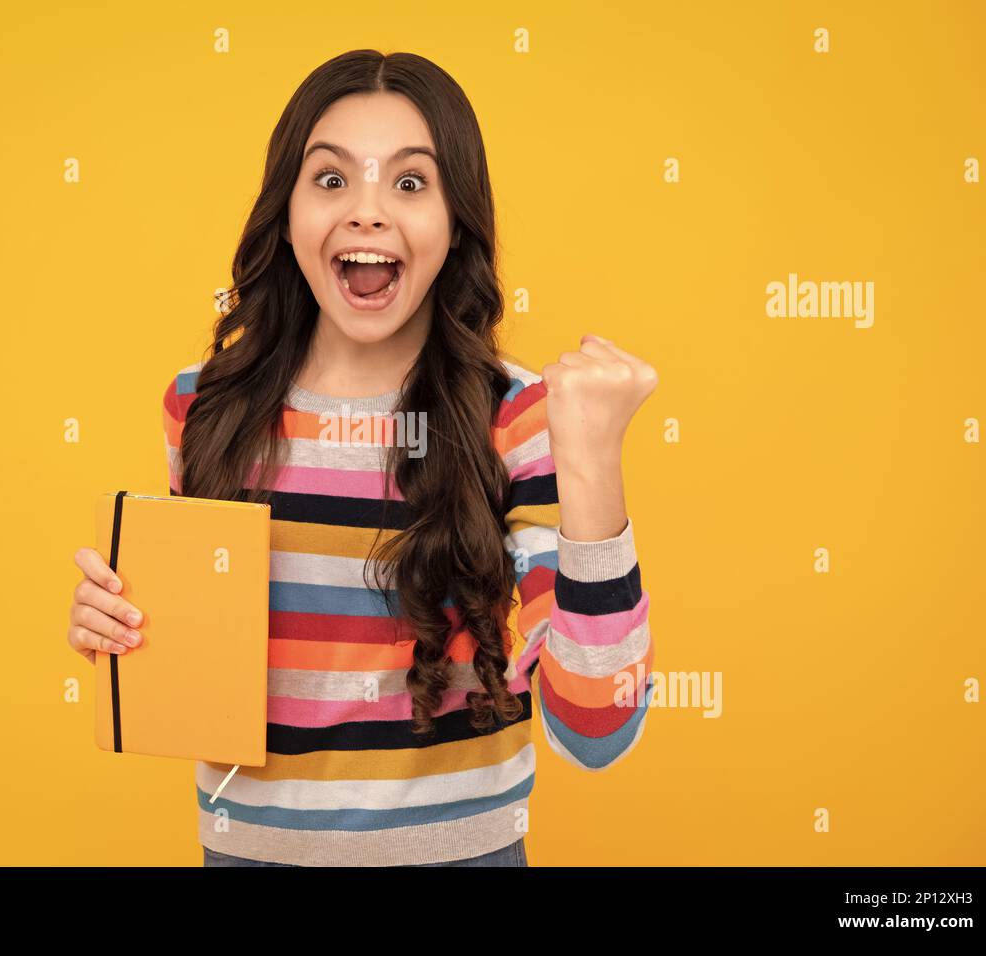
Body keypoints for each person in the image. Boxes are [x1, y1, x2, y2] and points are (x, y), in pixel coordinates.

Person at [67, 49, 659, 867]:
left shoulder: (518, 418)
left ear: (457, 224)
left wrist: (591, 456)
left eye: (410, 183)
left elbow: (598, 728)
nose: (368, 213)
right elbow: (200, 673)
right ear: (287, 210)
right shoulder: (204, 407)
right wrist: (123, 630)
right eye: (333, 179)